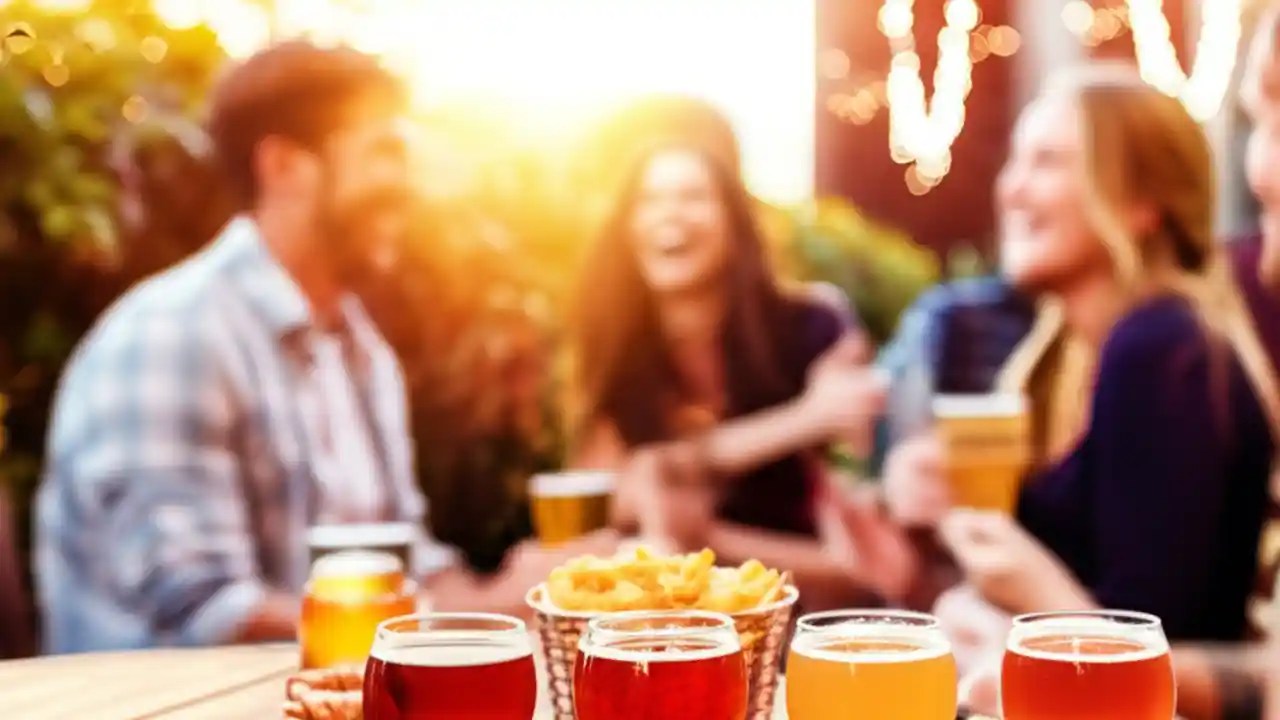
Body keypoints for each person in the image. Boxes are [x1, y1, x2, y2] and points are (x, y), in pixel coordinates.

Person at [35, 42, 612, 654]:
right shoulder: (170, 336)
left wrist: (518, 584)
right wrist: (461, 612)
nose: (406, 185)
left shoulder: (358, 348)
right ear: (284, 166)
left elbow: (403, 557)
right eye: (383, 153)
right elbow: (206, 613)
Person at [571, 99, 887, 610]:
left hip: (805, 632)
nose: (669, 215)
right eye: (648, 199)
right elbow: (609, 495)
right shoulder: (620, 347)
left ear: (734, 215)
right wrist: (803, 419)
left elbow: (861, 567)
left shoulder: (815, 329)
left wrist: (707, 539)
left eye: (693, 195)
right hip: (675, 632)